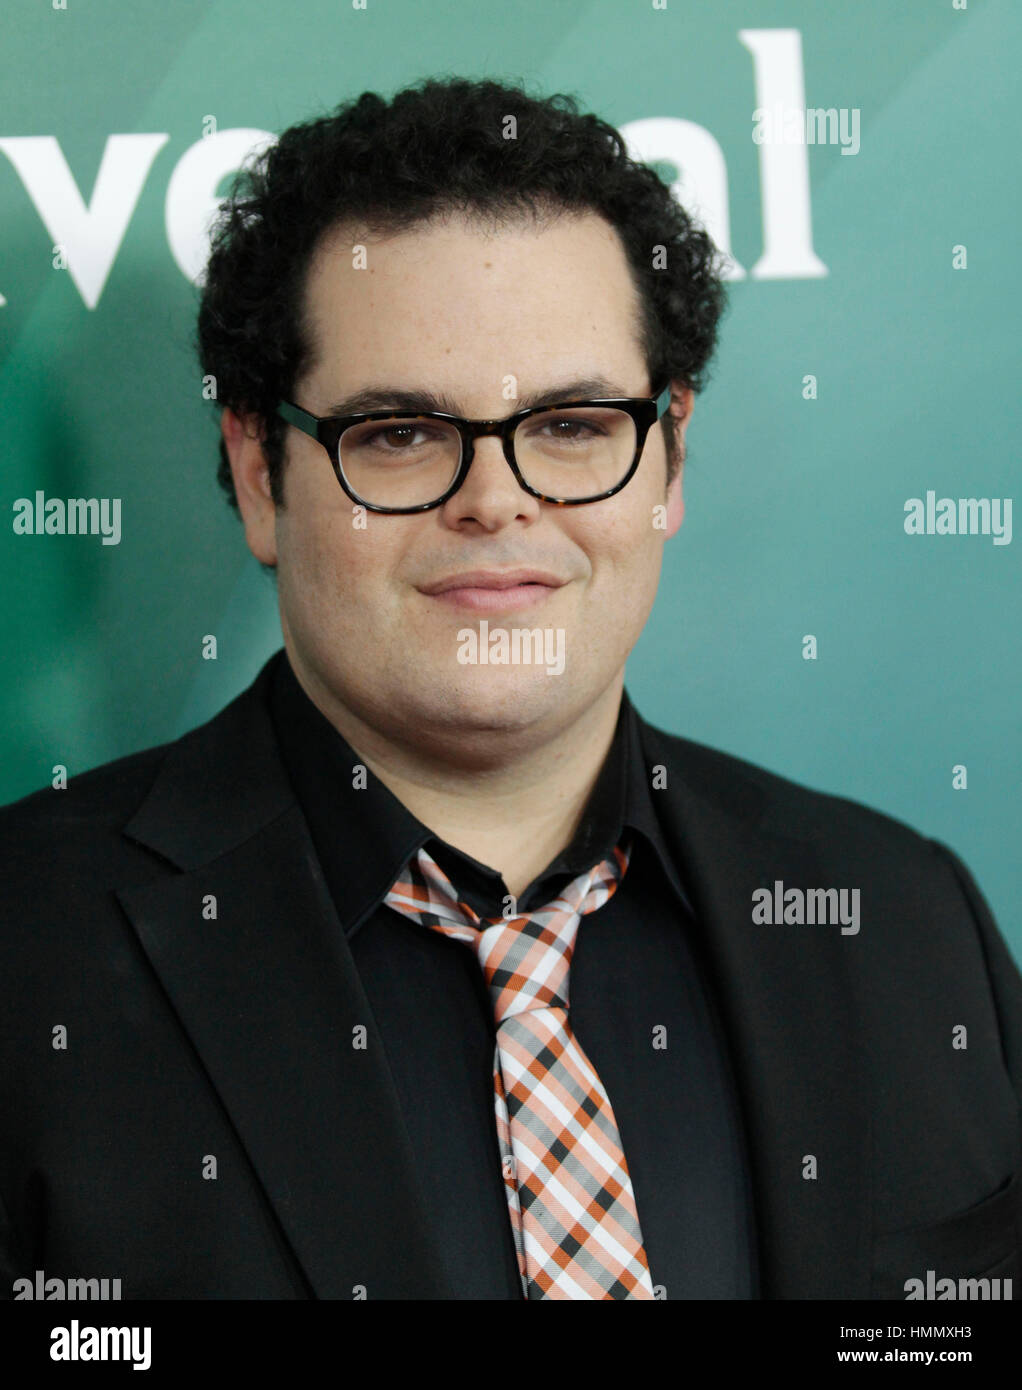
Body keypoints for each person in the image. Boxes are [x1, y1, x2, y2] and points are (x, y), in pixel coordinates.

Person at [1, 76, 1019, 1302]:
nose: (497, 500)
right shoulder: (26, 952)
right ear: (260, 473)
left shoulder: (905, 921)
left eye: (575, 424)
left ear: (667, 461)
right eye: (399, 434)